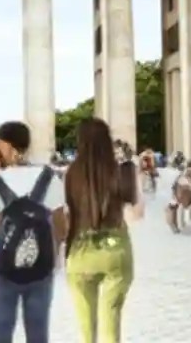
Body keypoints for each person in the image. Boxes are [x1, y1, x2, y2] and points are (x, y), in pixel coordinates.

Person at [63, 118, 143, 343]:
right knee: (111, 321)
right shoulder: (121, 171)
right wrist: (133, 176)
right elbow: (138, 214)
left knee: (86, 328)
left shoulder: (70, 174)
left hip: (80, 250)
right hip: (115, 249)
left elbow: (67, 216)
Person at [0, 122, 64, 343]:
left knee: (0, 333)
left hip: (3, 272)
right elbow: (61, 227)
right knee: (38, 334)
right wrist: (51, 257)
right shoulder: (50, 178)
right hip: (40, 271)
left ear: (11, 147)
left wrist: (2, 258)